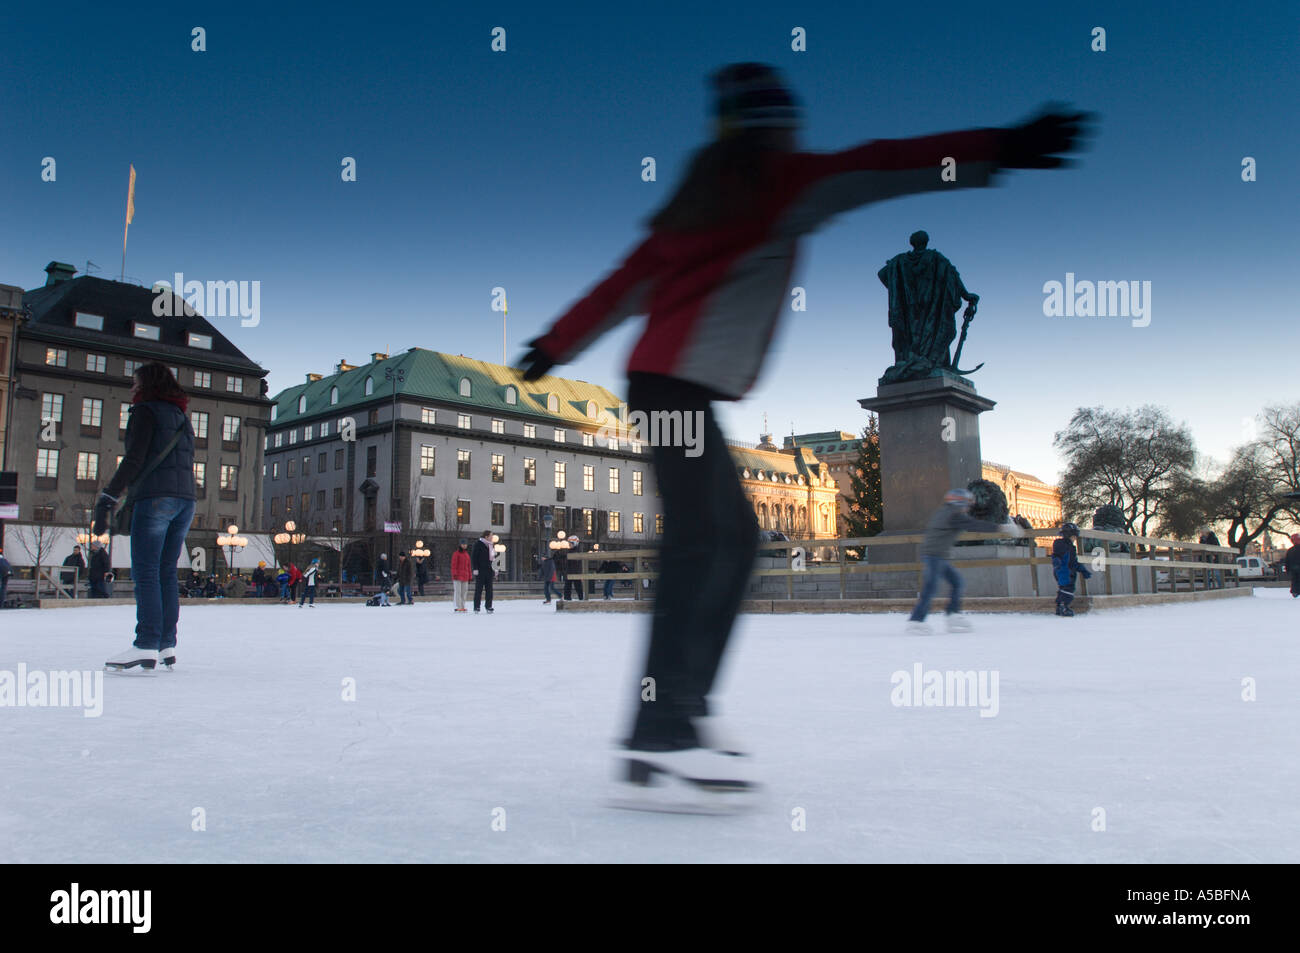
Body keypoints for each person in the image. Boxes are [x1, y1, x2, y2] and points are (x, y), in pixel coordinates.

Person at [517, 62, 1091, 807]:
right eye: (781, 126)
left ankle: (670, 714)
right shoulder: (783, 182)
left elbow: (621, 284)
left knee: (728, 540)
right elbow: (887, 162)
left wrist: (555, 344)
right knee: (707, 541)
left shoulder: (705, 201)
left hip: (665, 386)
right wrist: (1003, 146)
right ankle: (665, 720)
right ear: (769, 131)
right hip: (672, 388)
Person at [93, 362, 196, 672]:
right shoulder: (181, 417)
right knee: (166, 572)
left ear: (147, 384)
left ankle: (146, 643)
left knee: (147, 572)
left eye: (134, 382)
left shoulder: (145, 412)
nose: (131, 388)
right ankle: (166, 642)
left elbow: (134, 459)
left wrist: (108, 497)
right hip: (185, 500)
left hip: (155, 498)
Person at [907, 489, 1025, 634]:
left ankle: (953, 614)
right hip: (934, 556)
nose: (968, 508)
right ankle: (916, 621)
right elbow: (974, 525)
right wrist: (1002, 527)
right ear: (959, 502)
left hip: (938, 556)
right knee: (931, 589)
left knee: (957, 582)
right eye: (967, 504)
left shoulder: (946, 511)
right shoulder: (953, 514)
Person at [1052, 522, 1093, 617]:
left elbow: (1074, 561)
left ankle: (1059, 607)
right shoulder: (1061, 545)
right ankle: (1063, 606)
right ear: (1068, 535)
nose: (1075, 539)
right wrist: (1058, 565)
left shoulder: (1070, 547)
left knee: (1063, 588)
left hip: (1068, 570)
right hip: (1064, 571)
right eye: (1074, 536)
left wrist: (1083, 570)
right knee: (1068, 589)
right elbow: (1056, 556)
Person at [471, 530, 495, 613]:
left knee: (489, 590)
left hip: (489, 571)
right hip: (480, 570)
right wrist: (475, 569)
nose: (492, 537)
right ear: (486, 536)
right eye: (491, 536)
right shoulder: (478, 544)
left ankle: (489, 606)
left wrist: (495, 569)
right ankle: (476, 607)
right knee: (479, 589)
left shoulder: (491, 545)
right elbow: (474, 557)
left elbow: (493, 559)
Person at [451, 539, 472, 612]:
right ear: (460, 545)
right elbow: (454, 565)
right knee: (458, 592)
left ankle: (462, 606)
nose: (464, 545)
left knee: (464, 592)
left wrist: (470, 576)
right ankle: (458, 606)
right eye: (463, 544)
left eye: (465, 544)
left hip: (465, 576)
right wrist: (454, 573)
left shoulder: (467, 554)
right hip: (457, 576)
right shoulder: (456, 554)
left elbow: (469, 566)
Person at [1285, 533, 1300, 599]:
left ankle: (1295, 591)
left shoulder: (1290, 550)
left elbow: (1287, 561)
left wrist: (1287, 569)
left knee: (1295, 580)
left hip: (1293, 569)